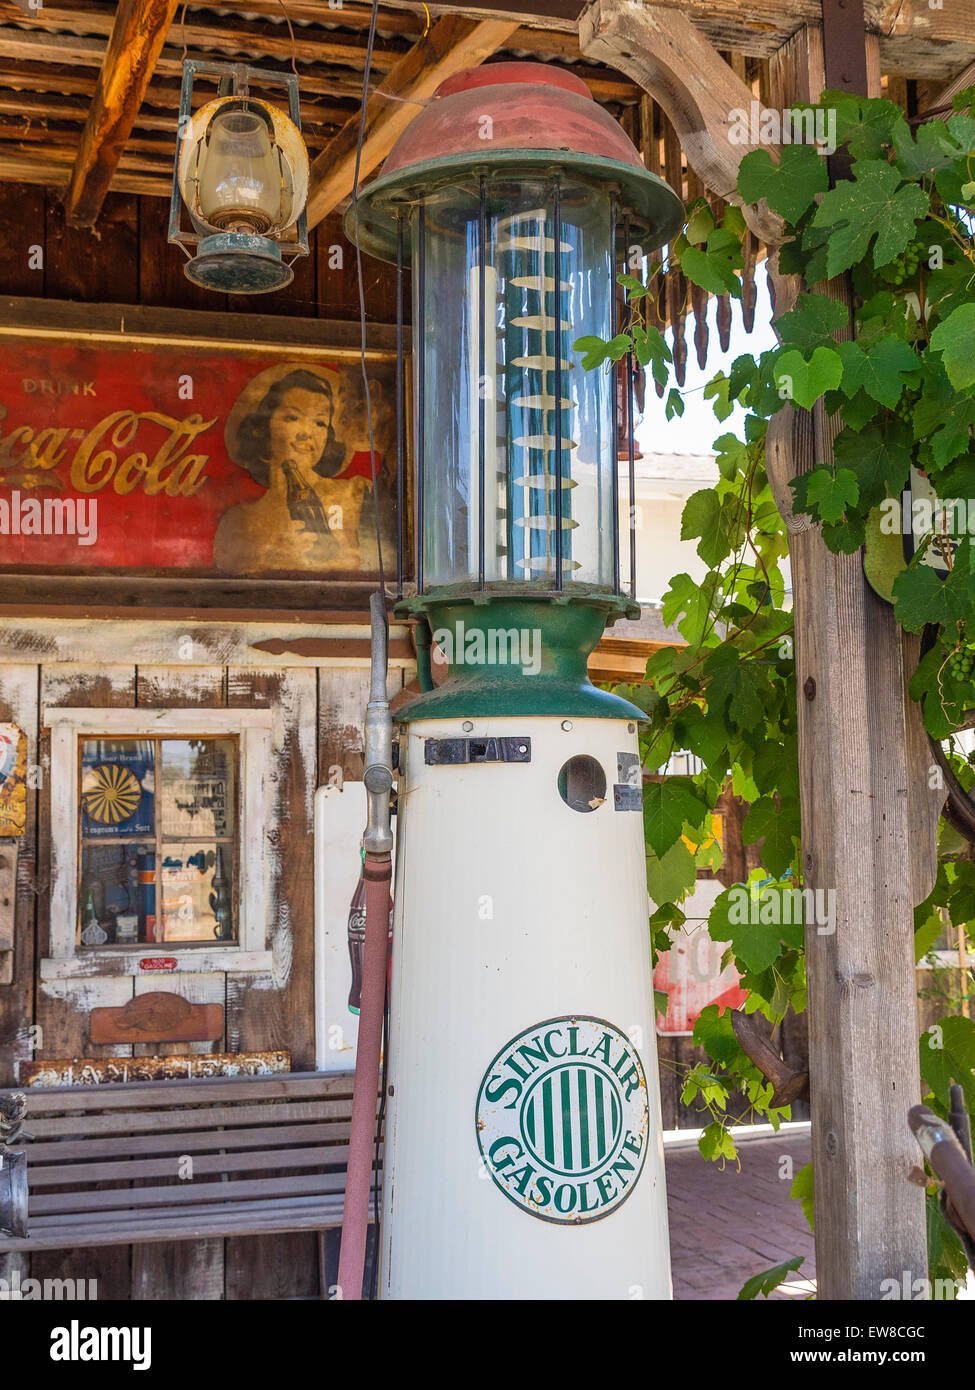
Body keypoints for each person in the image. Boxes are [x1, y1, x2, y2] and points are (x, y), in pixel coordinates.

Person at [214, 368, 369, 572]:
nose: (307, 433)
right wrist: (274, 557)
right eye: (292, 418)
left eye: (320, 423)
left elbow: (374, 567)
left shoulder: (354, 494)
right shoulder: (238, 521)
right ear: (263, 426)